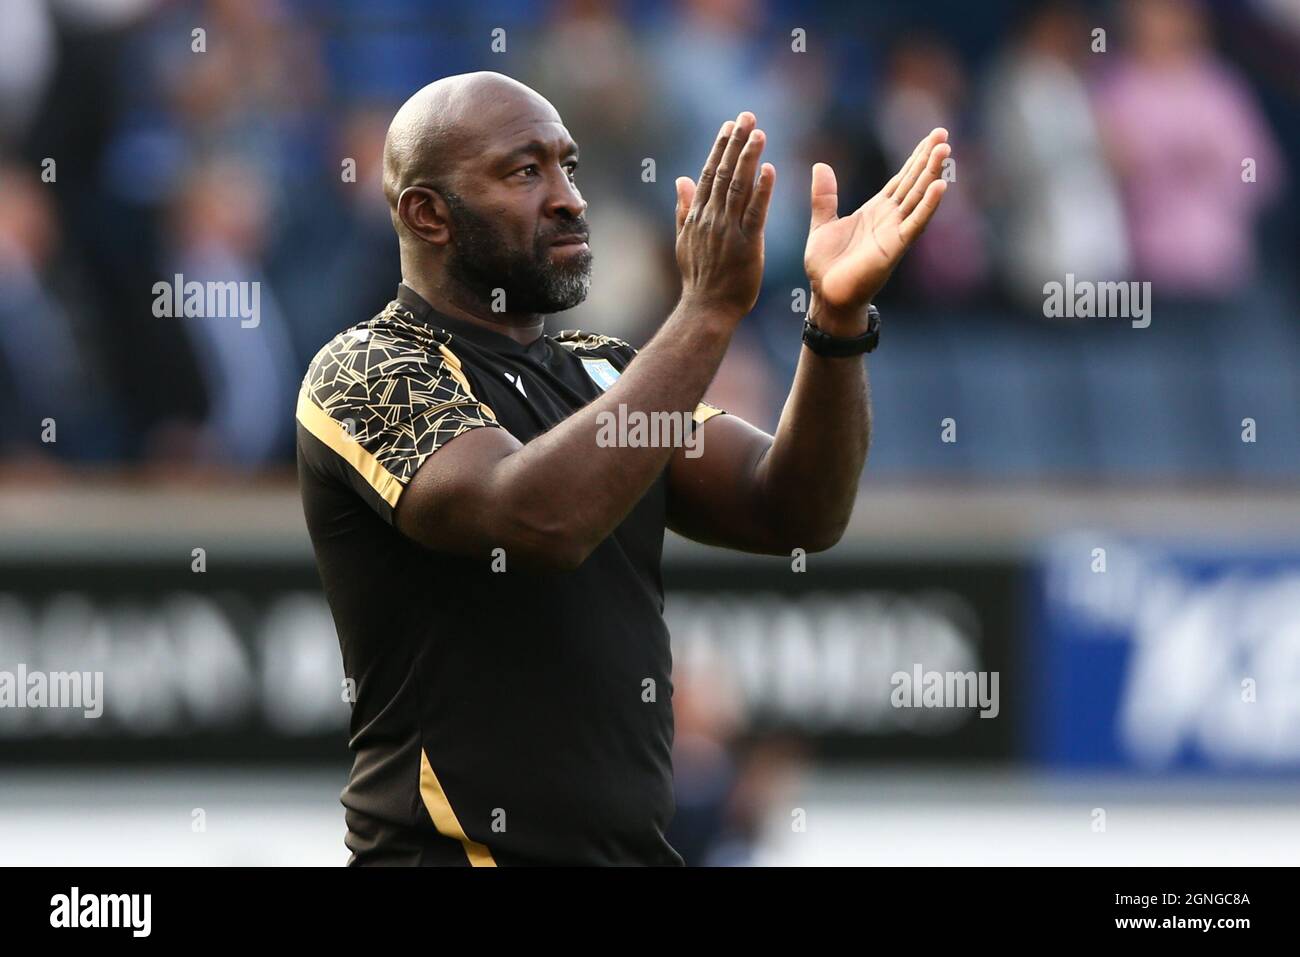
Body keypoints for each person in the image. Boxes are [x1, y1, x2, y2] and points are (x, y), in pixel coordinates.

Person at [295, 71, 949, 865]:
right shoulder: (366, 369)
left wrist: (836, 322)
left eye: (567, 165)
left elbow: (795, 510)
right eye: (525, 170)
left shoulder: (603, 370)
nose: (570, 196)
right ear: (428, 214)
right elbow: (535, 519)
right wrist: (706, 310)